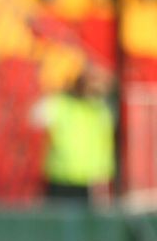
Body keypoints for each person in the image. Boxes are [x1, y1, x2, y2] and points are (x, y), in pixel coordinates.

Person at [30, 63, 116, 204]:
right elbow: (34, 117)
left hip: (92, 181)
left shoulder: (102, 110)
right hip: (61, 179)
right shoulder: (60, 105)